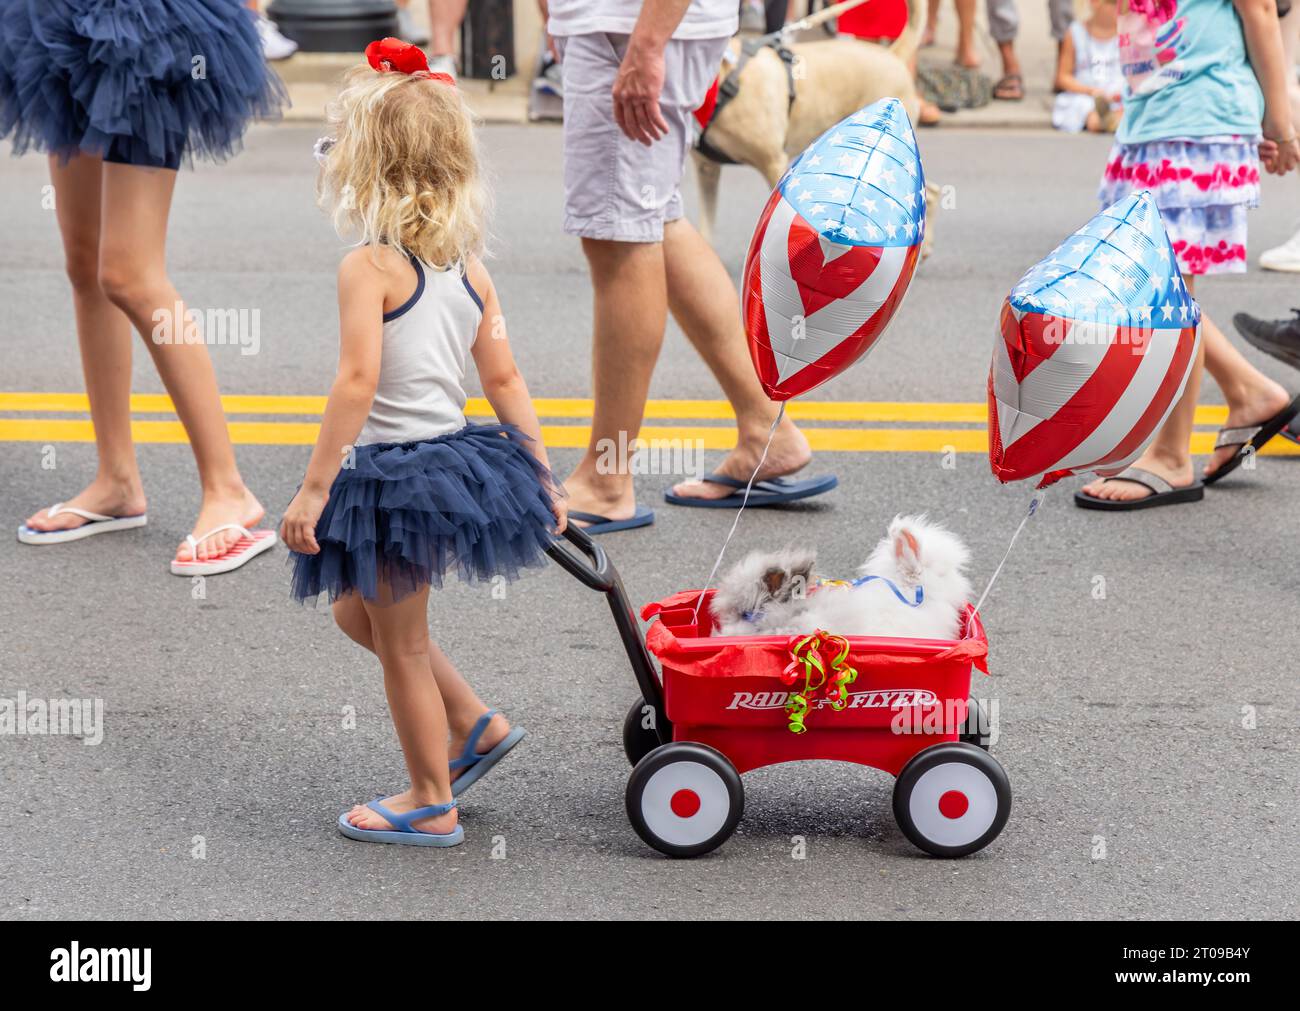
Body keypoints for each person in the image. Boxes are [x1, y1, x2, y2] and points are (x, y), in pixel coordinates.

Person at [280, 41, 564, 846]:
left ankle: (430, 799)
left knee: (400, 646)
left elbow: (355, 384)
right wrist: (542, 474)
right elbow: (504, 380)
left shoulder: (367, 266)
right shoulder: (471, 270)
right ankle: (473, 721)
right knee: (354, 612)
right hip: (452, 466)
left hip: (394, 482)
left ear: (363, 169)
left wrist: (313, 488)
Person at [3, 0, 286, 573]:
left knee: (128, 273)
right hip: (59, 26)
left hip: (151, 33)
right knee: (85, 266)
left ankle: (229, 489)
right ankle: (117, 481)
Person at [546, 0, 832, 534]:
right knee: (653, 218)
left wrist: (648, 43)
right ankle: (765, 429)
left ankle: (606, 482)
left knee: (620, 232)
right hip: (626, 26)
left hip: (633, 27)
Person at [1077, 0, 1300, 510]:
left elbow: (1261, 9)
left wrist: (1278, 123)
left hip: (1195, 124)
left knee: (1165, 289)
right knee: (1145, 279)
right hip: (1152, 121)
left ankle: (1172, 456)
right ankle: (1250, 394)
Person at [1052, 0, 1122, 133]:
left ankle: (1115, 120)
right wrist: (1091, 91)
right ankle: (1104, 121)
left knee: (1129, 107)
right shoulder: (1075, 32)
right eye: (1112, 3)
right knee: (1087, 109)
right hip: (1087, 94)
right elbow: (1063, 77)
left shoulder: (1128, 33)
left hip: (1118, 94)